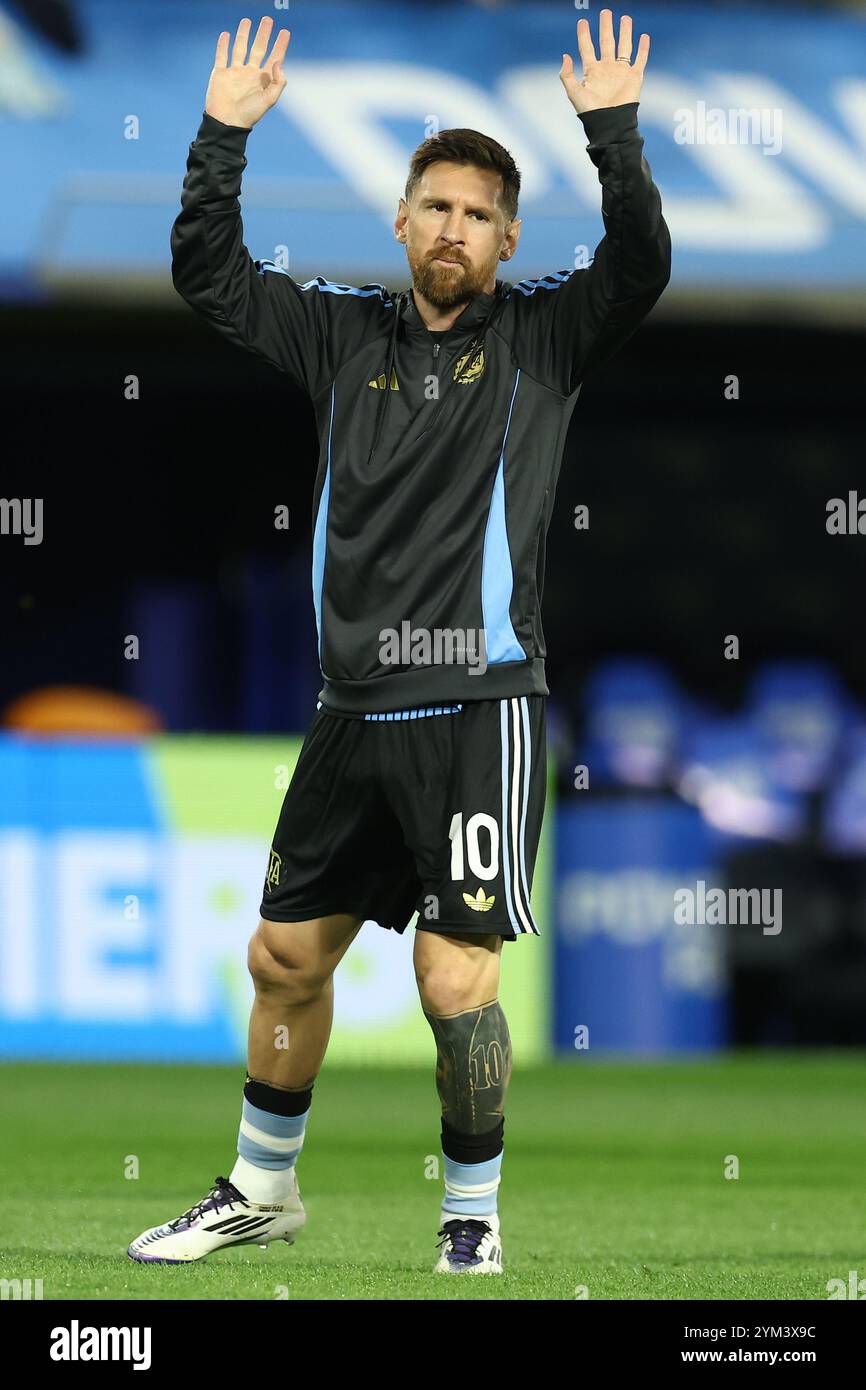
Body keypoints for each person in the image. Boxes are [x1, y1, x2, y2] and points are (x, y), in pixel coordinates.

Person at [128, 9, 670, 1274]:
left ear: (506, 240)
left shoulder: (544, 339)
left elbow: (637, 262)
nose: (451, 231)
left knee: (452, 981)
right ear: (400, 219)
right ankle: (262, 1187)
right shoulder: (339, 335)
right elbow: (208, 275)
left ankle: (468, 1209)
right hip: (350, 706)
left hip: (481, 705)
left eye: (477, 216)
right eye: (433, 207)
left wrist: (613, 135)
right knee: (281, 956)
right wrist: (221, 138)